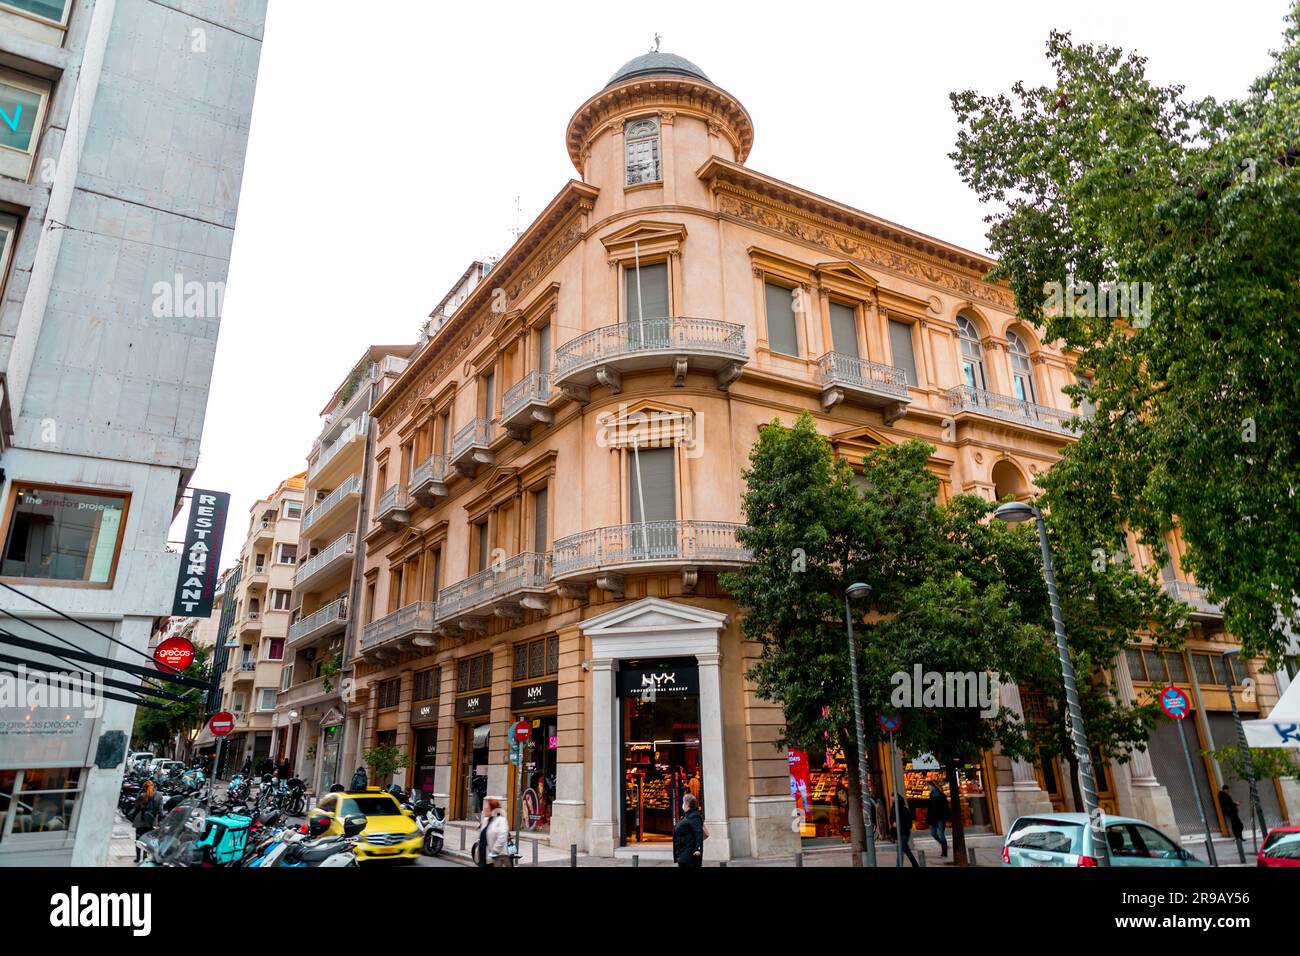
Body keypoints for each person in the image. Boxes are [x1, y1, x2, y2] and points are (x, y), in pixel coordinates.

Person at [132, 779, 162, 863]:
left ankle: (138, 858)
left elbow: (136, 806)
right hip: (151, 820)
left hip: (140, 819)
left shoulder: (141, 795)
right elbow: (160, 810)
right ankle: (145, 856)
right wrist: (159, 821)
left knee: (138, 839)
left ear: (144, 787)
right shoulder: (159, 795)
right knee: (147, 839)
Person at [672, 793, 705, 867]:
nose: (683, 804)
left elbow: (699, 832)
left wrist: (698, 849)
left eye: (683, 802)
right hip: (683, 853)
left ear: (687, 804)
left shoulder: (694, 816)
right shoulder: (688, 815)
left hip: (689, 855)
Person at [479, 797, 510, 868]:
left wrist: (494, 852)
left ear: (493, 810)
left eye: (487, 808)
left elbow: (502, 838)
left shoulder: (501, 820)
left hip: (495, 859)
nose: (485, 809)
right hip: (484, 858)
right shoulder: (485, 820)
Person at [926, 781, 949, 859]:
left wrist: (945, 817)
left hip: (940, 817)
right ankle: (942, 844)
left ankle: (944, 852)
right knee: (933, 833)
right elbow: (929, 807)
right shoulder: (931, 795)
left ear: (934, 786)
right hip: (933, 817)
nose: (928, 787)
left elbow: (945, 807)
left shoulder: (941, 795)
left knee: (941, 833)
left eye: (929, 786)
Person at [894, 792, 919, 867]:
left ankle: (898, 865)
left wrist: (902, 826)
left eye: (894, 798)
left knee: (901, 849)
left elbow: (908, 821)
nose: (893, 800)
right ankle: (915, 864)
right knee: (906, 849)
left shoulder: (904, 809)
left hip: (904, 832)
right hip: (900, 832)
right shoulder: (895, 807)